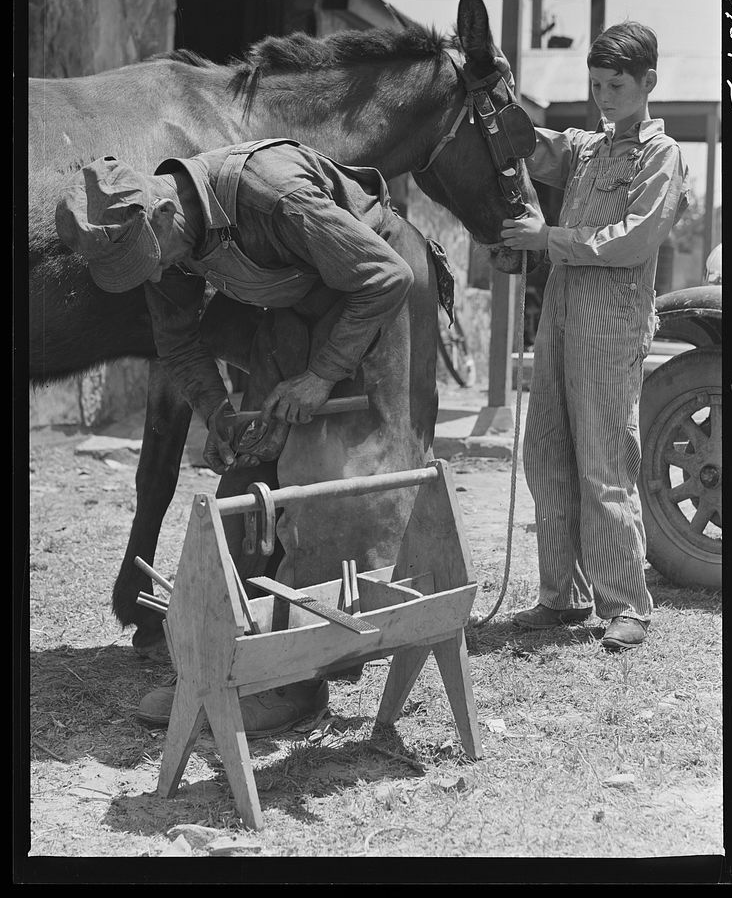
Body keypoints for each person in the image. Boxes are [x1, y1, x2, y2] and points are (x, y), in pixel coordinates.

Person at [55, 137, 448, 732]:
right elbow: (177, 341)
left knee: (326, 485)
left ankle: (297, 681)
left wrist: (321, 377)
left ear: (167, 213)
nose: (156, 276)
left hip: (375, 285)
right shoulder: (159, 234)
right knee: (249, 481)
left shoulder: (274, 196)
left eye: (152, 263)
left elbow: (384, 275)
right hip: (297, 297)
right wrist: (218, 413)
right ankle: (226, 659)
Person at [499, 22, 690, 651]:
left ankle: (627, 604)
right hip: (560, 311)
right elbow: (530, 143)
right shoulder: (584, 147)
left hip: (612, 320)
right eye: (596, 85)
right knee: (546, 449)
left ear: (648, 83)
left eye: (616, 86)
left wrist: (548, 238)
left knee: (604, 460)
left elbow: (634, 239)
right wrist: (493, 90)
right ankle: (562, 595)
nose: (603, 97)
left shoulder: (661, 156)